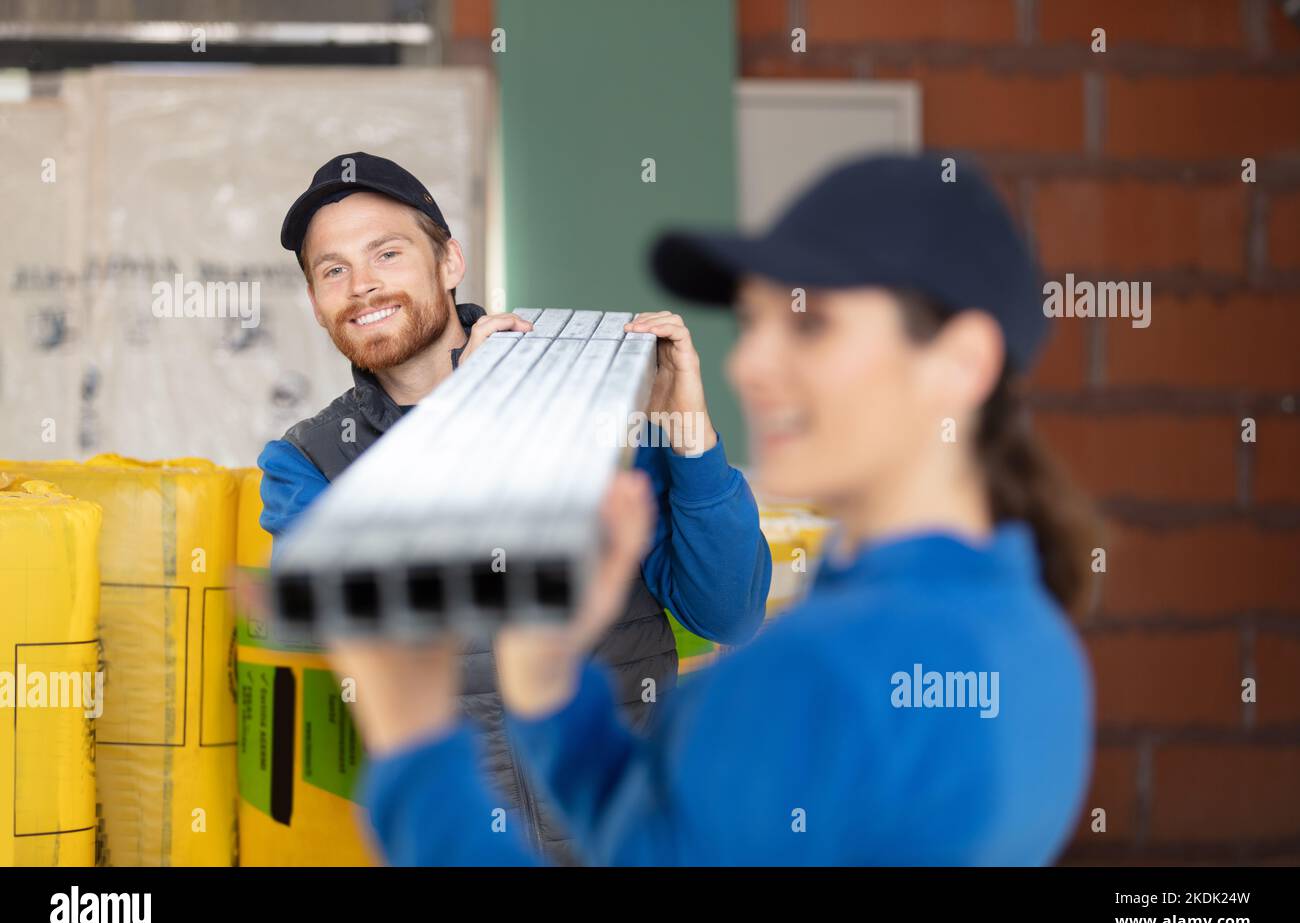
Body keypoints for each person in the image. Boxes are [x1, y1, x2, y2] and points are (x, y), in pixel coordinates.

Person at [330, 153, 1096, 865]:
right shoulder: (1030, 630)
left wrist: (410, 745)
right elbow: (655, 835)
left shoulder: (812, 673)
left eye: (810, 324)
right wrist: (548, 674)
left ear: (961, 363)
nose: (749, 363)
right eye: (755, 321)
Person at [258, 152, 772, 863]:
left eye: (387, 252)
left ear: (449, 261)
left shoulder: (588, 397)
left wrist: (690, 435)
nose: (362, 283)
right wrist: (459, 420)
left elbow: (730, 613)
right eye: (332, 269)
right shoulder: (307, 461)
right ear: (316, 301)